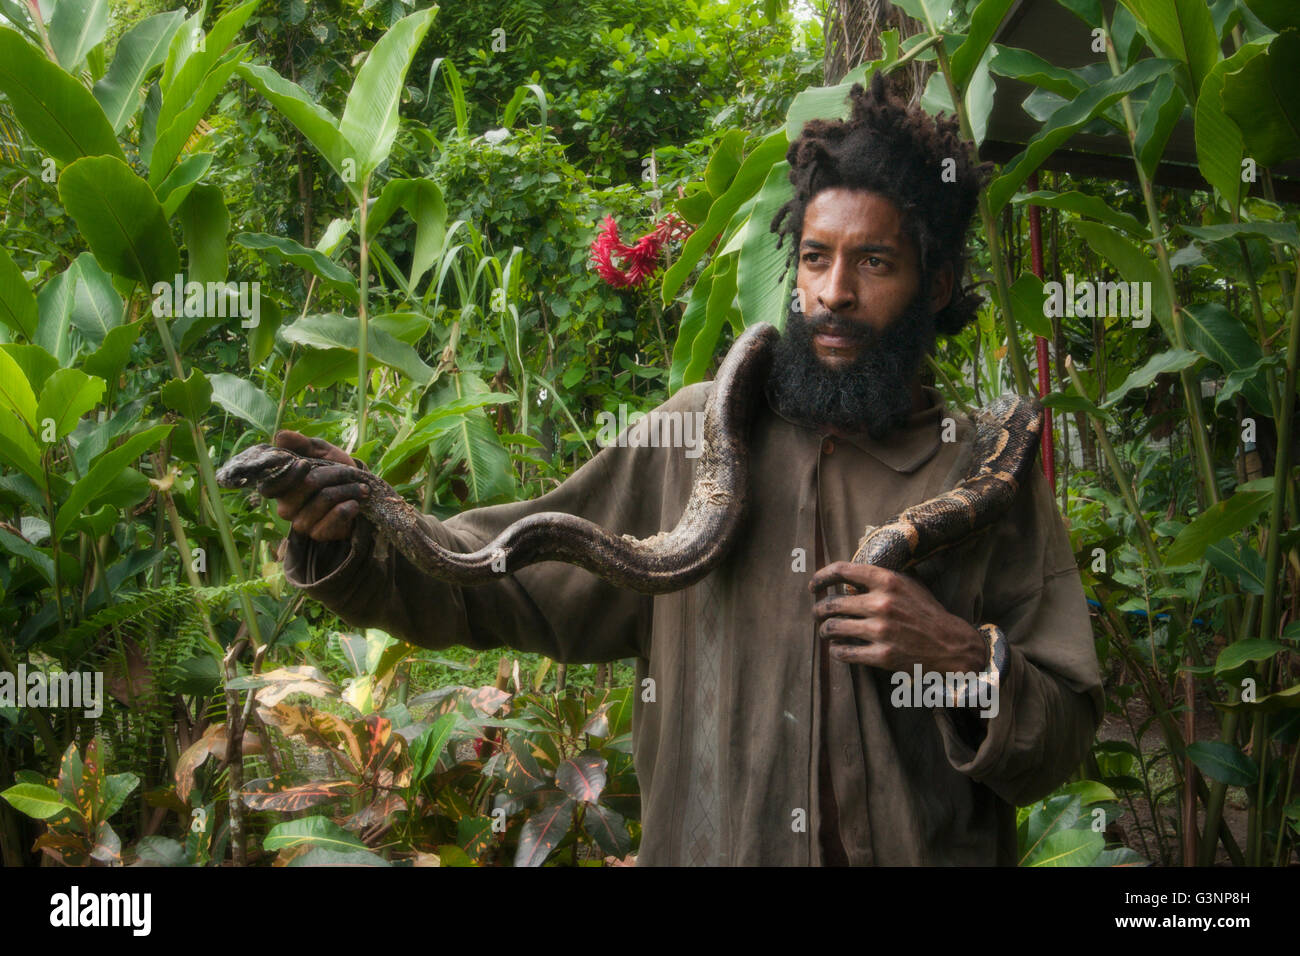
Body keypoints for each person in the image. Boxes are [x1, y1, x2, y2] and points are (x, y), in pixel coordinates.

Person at [265, 74, 1102, 865]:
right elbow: (500, 576)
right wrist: (357, 527)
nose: (834, 293)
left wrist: (959, 655)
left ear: (938, 282)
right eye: (815, 258)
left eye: (875, 263)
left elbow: (1061, 736)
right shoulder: (695, 436)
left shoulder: (987, 476)